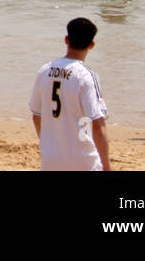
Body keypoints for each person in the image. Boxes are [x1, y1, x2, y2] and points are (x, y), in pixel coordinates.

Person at [29, 17, 111, 171]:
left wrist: (48, 144)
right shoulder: (86, 76)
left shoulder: (44, 71)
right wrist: (106, 166)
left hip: (51, 160)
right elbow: (98, 125)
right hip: (83, 161)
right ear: (92, 45)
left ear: (66, 40)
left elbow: (36, 116)